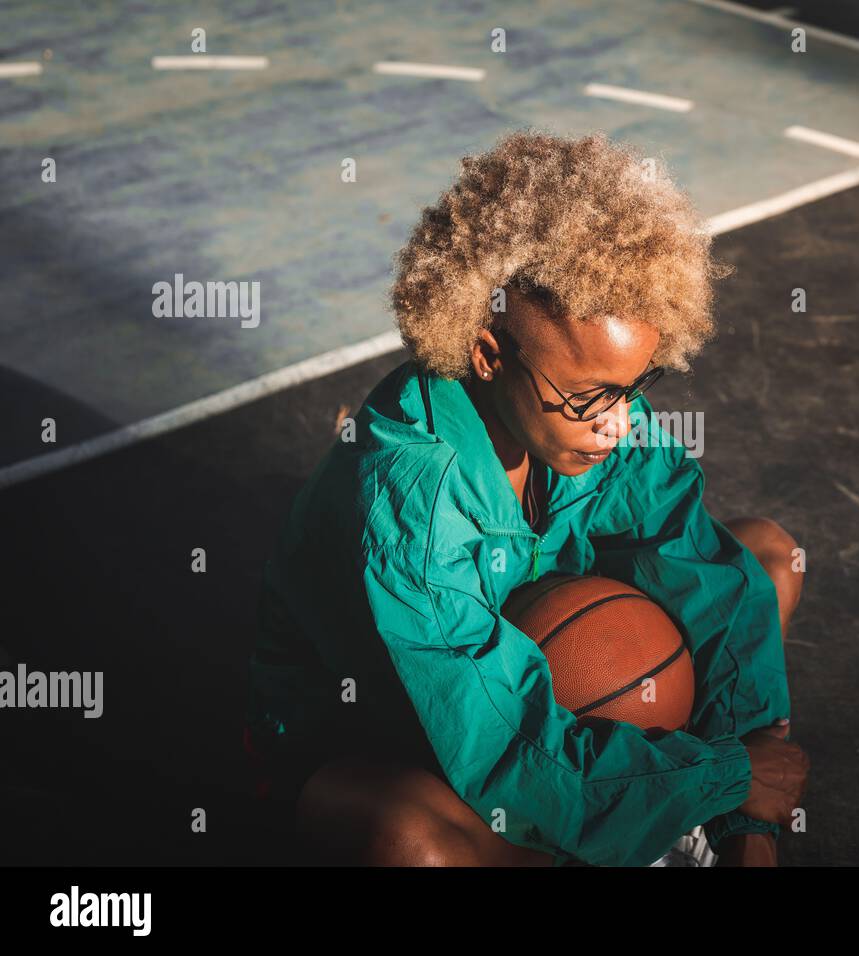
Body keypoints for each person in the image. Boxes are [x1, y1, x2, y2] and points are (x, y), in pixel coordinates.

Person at [243, 129, 810, 867]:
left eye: (636, 387)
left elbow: (698, 570)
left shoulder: (589, 408)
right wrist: (724, 779)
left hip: (531, 673)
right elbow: (505, 748)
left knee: (764, 561)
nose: (619, 424)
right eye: (590, 396)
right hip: (390, 738)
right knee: (411, 842)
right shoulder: (414, 504)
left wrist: (748, 831)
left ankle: (644, 816)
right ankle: (625, 826)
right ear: (486, 352)